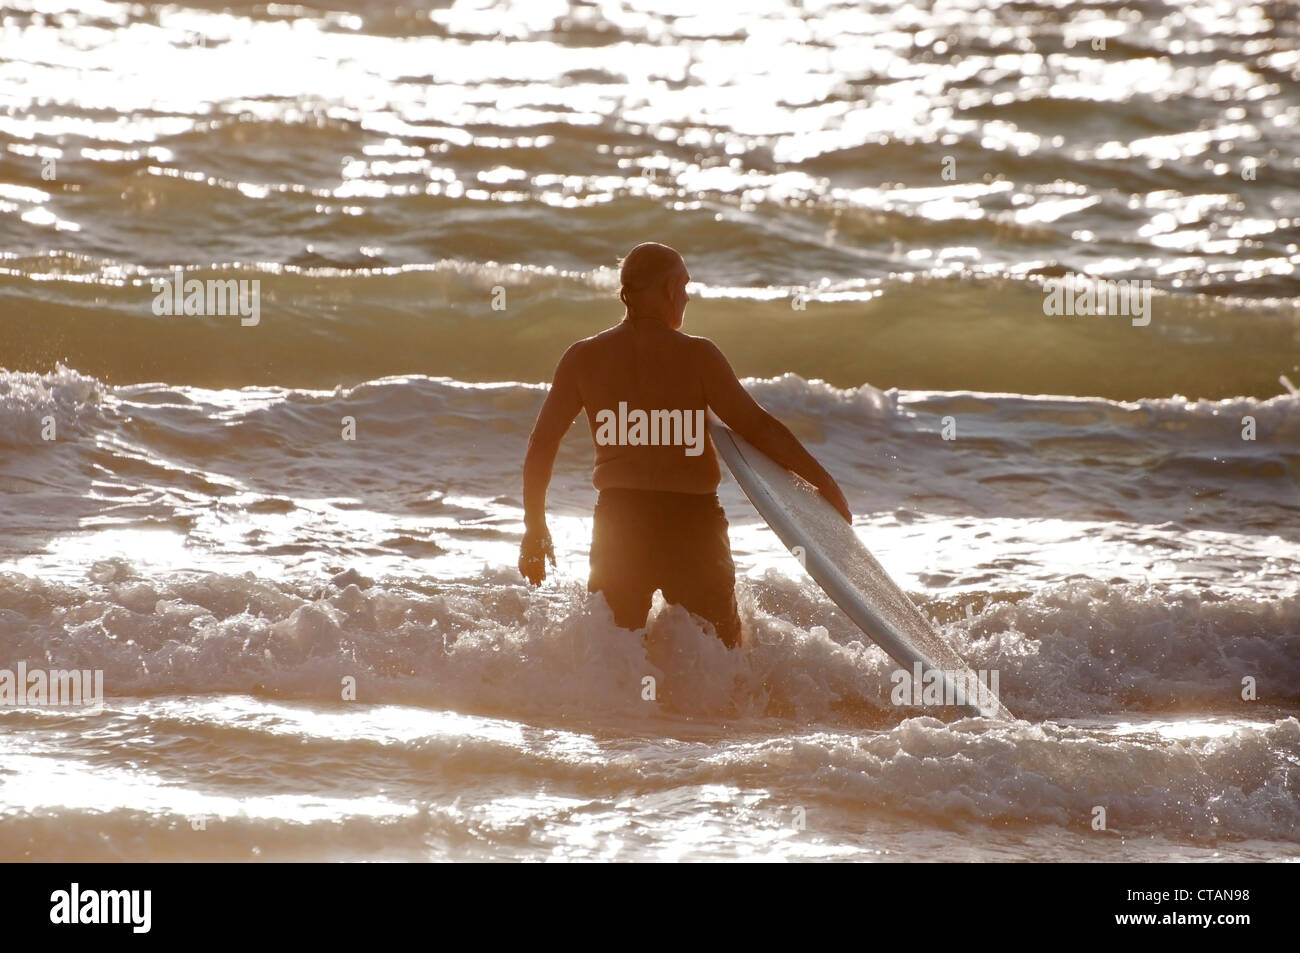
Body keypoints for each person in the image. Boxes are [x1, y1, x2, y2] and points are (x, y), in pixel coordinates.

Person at [519, 242, 851, 648]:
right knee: (720, 653)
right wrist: (822, 482)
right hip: (691, 527)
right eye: (686, 285)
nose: (689, 296)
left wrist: (535, 527)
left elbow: (542, 443)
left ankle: (616, 710)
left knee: (613, 652)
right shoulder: (698, 356)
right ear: (671, 288)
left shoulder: (583, 358)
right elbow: (757, 427)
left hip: (620, 524)